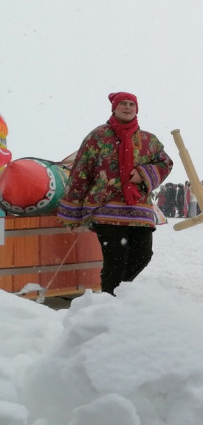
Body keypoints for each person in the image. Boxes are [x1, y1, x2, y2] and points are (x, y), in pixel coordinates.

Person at [58, 92, 173, 294]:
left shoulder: (149, 140)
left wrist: (143, 173)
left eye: (131, 104)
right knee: (115, 259)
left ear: (137, 109)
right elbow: (81, 171)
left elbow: (165, 163)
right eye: (123, 104)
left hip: (139, 210)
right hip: (105, 209)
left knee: (142, 256)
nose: (128, 107)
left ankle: (115, 295)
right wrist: (72, 210)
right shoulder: (98, 136)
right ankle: (111, 299)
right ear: (114, 108)